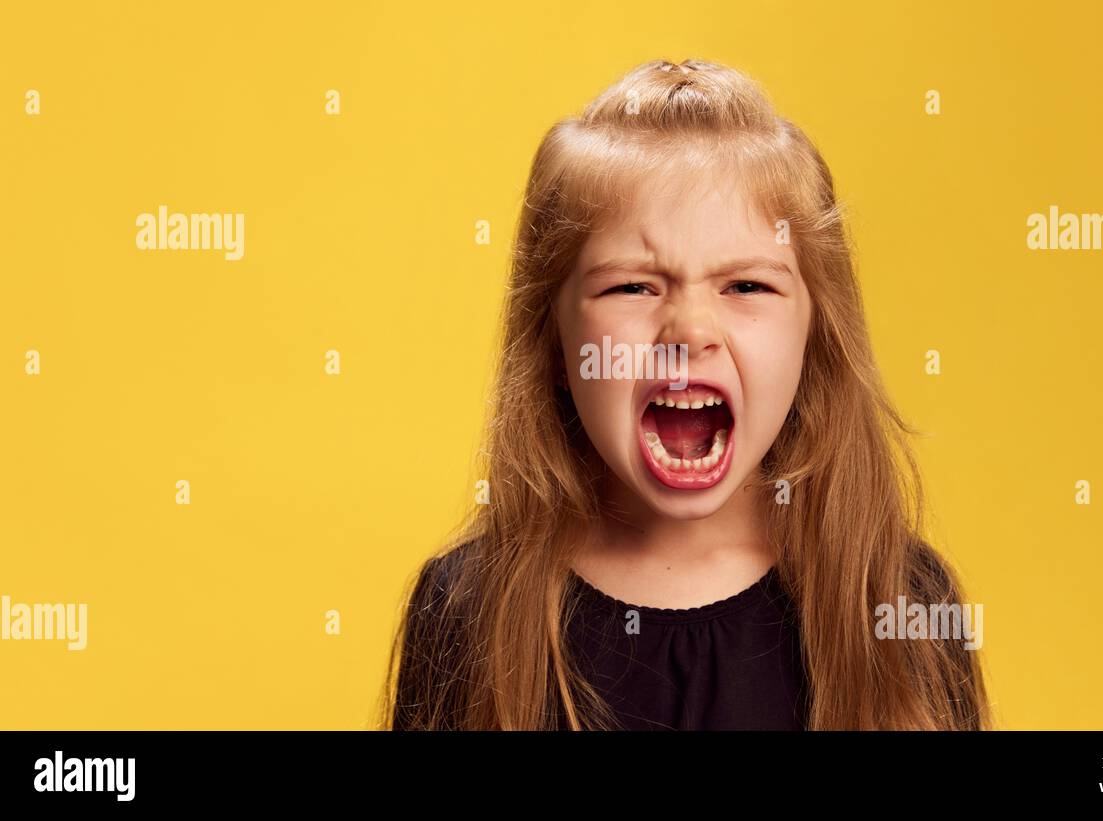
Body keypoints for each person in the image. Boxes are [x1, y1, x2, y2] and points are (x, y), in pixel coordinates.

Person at [383, 58, 989, 730]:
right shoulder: (471, 607)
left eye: (746, 286)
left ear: (814, 338)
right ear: (555, 344)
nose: (691, 329)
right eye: (633, 287)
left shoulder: (897, 599)